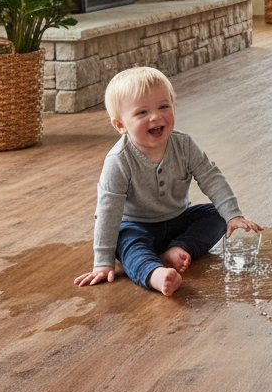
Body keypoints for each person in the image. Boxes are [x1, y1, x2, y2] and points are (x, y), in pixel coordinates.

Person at [74, 66, 261, 296]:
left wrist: (233, 214)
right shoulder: (118, 161)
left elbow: (211, 177)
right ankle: (155, 274)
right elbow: (107, 211)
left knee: (217, 215)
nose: (156, 116)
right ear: (120, 125)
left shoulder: (184, 145)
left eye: (164, 107)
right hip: (137, 226)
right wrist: (103, 261)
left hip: (178, 219)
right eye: (142, 113)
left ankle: (178, 249)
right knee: (127, 245)